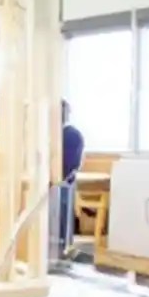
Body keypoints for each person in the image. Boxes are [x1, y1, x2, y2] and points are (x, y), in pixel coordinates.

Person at [58, 99, 85, 256]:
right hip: (59, 183)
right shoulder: (52, 133)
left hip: (63, 184)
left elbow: (72, 165)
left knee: (61, 219)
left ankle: (63, 249)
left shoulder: (72, 135)